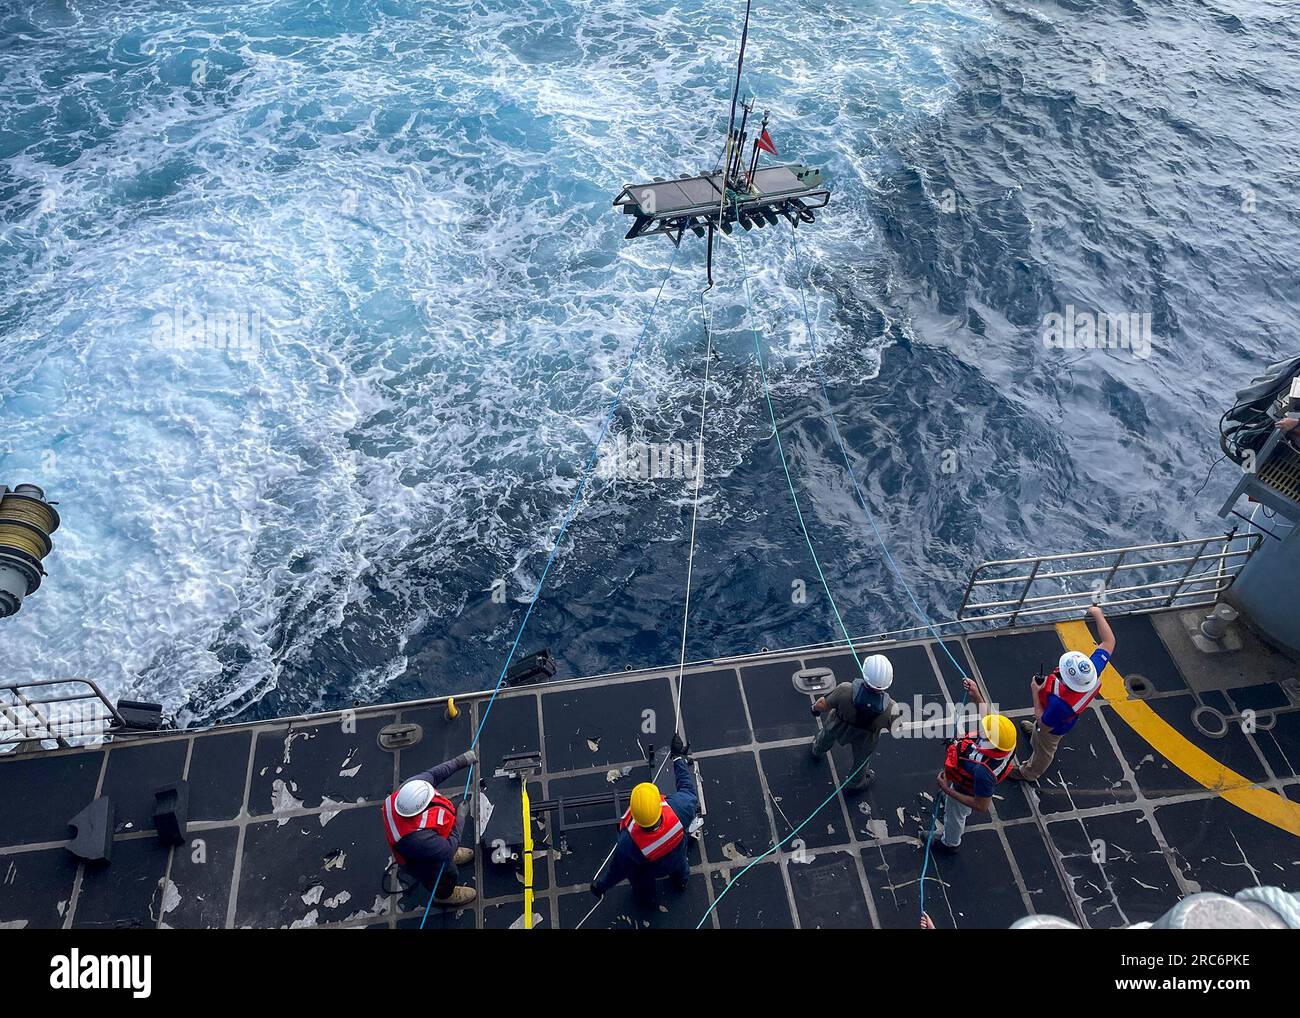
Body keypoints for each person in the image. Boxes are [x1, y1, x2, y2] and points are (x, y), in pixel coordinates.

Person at [591, 734, 698, 907]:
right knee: (681, 868)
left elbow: (618, 870)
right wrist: (678, 757)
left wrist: (601, 886)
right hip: (677, 857)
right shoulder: (679, 810)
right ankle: (681, 883)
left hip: (650, 870)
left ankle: (648, 900)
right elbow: (688, 789)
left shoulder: (628, 842)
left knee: (641, 883)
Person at [1011, 604, 1114, 782]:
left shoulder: (1061, 705)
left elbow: (1044, 723)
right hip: (1050, 715)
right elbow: (1109, 641)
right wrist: (1098, 614)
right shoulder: (1091, 671)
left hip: (1052, 727)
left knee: (1045, 749)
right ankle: (1034, 737)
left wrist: (1035, 692)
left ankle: (1029, 772)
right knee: (1038, 730)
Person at [381, 749, 478, 907]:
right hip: (421, 861)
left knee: (442, 852)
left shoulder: (406, 791)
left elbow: (433, 775)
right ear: (419, 810)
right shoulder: (418, 838)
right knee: (447, 874)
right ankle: (444, 895)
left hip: (435, 844)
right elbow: (448, 848)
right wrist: (460, 818)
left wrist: (460, 761)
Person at [933, 704, 1017, 853]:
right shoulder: (1007, 744)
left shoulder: (984, 772)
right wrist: (976, 694)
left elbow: (981, 805)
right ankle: (963, 811)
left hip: (965, 790)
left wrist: (947, 790)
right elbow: (991, 722)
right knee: (961, 810)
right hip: (970, 783)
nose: (982, 730)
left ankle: (950, 843)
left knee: (955, 815)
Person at [810, 653, 898, 791]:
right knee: (861, 761)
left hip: (838, 724)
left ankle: (816, 751)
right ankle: (854, 784)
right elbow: (895, 729)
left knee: (826, 736)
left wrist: (814, 708)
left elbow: (823, 705)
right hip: (866, 738)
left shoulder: (845, 689)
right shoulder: (891, 708)